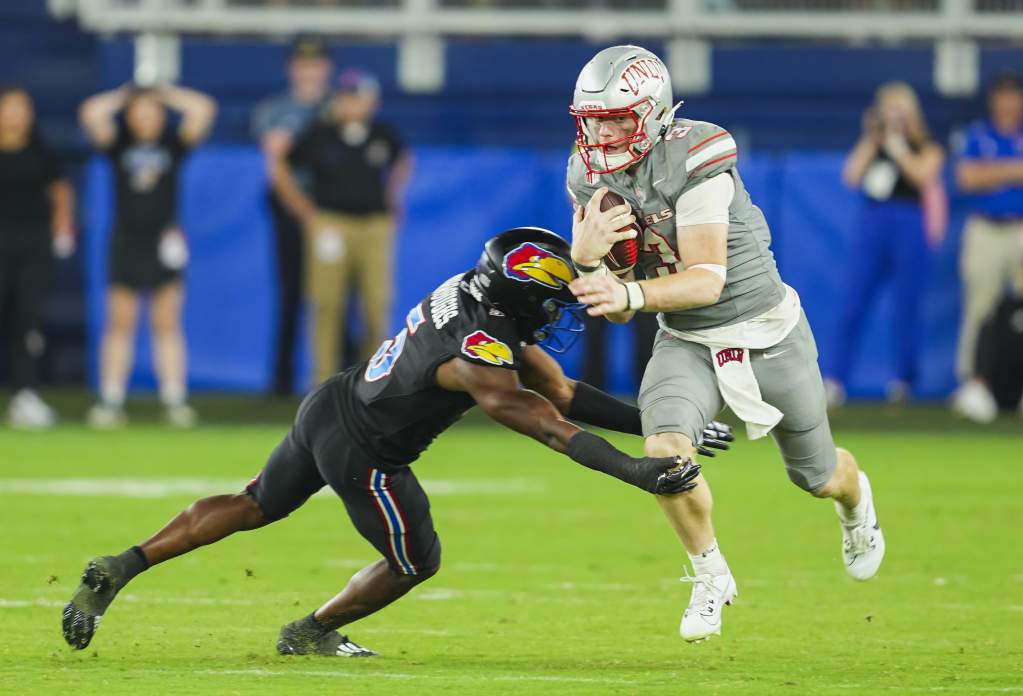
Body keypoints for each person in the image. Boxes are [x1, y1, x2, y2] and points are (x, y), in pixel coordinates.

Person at [61, 227, 733, 655]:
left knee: (254, 503)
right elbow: (547, 424)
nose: (556, 316)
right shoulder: (481, 349)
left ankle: (121, 565)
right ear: (517, 297)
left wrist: (663, 425)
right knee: (417, 561)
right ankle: (309, 633)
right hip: (368, 453)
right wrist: (638, 473)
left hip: (333, 402)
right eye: (549, 303)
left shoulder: (475, 296)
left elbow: (560, 393)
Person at [566, 46, 885, 643]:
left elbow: (707, 279)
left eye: (615, 117)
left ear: (654, 113)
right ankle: (710, 575)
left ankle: (855, 497)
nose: (601, 132)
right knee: (663, 451)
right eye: (592, 119)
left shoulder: (697, 153)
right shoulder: (586, 175)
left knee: (816, 476)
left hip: (767, 332)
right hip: (686, 341)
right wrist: (586, 264)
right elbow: (616, 303)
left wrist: (628, 297)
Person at [79, 84, 216, 427]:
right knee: (120, 323)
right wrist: (126, 94)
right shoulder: (118, 146)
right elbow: (90, 112)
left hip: (163, 241)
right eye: (139, 112)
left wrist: (163, 92)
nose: (146, 118)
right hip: (126, 240)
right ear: (129, 116)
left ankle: (174, 400)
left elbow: (204, 108)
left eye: (152, 112)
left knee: (167, 322)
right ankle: (111, 401)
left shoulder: (173, 146)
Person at [274, 68, 412, 387]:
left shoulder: (382, 133)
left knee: (376, 303)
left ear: (371, 102)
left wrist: (392, 195)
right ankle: (322, 383)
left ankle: (374, 381)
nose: (352, 105)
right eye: (347, 97)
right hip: (331, 223)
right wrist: (306, 213)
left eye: (359, 98)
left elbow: (404, 160)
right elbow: (282, 165)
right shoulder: (320, 134)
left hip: (374, 224)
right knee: (326, 304)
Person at [823, 82, 945, 407]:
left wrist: (899, 144)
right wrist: (872, 136)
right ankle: (835, 378)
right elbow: (851, 176)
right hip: (873, 222)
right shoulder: (874, 145)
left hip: (908, 223)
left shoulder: (928, 146)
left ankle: (905, 381)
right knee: (853, 301)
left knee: (908, 306)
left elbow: (923, 176)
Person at [252, 37, 333, 396]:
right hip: (292, 209)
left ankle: (346, 376)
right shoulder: (274, 110)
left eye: (315, 65)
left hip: (334, 209)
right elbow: (275, 166)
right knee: (292, 291)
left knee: (335, 294)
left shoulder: (338, 106)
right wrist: (303, 211)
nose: (309, 72)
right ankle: (282, 379)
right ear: (291, 69)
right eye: (303, 64)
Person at [0, 86, 75, 428]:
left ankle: (25, 395)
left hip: (32, 246)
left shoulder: (41, 152)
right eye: (10, 107)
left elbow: (61, 191)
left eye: (22, 108)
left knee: (27, 322)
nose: (16, 114)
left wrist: (62, 227)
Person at [951, 72, 1023, 423]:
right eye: (1003, 95)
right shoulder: (979, 135)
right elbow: (967, 177)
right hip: (987, 227)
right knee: (981, 305)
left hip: (1021, 226)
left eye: (1015, 96)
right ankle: (974, 383)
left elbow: (983, 175)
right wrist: (1013, 170)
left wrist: (993, 173)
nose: (1009, 103)